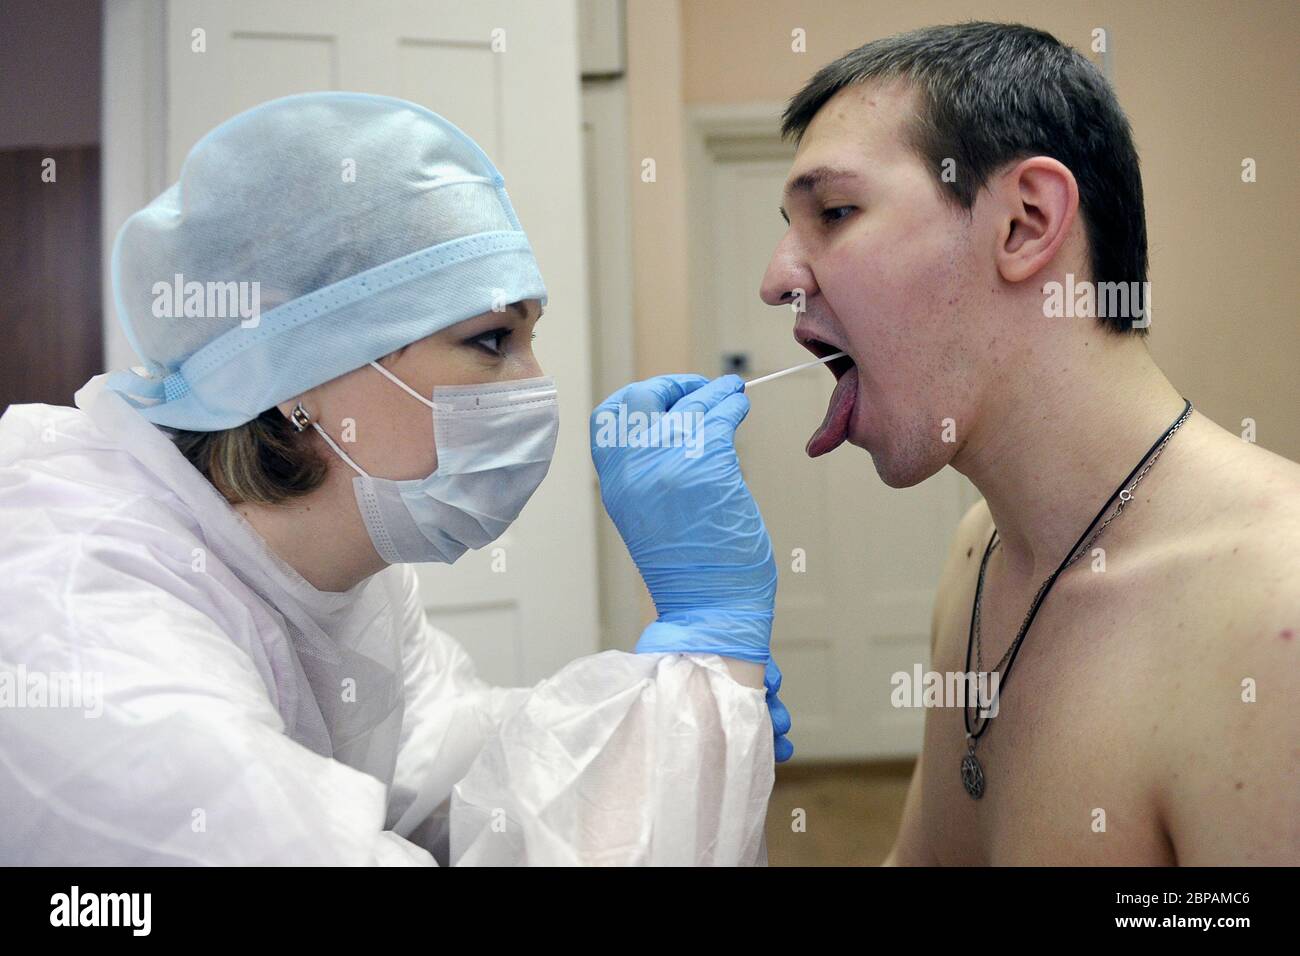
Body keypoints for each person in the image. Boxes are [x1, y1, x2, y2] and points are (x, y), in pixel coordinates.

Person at [0, 91, 790, 866]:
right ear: (289, 371)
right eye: (490, 340)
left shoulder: (336, 585)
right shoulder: (84, 628)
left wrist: (671, 714)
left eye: (528, 339)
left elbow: (460, 783)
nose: (534, 384)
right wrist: (708, 645)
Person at [760, 22, 1299, 864]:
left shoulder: (1278, 609)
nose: (778, 278)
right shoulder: (982, 551)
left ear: (1024, 222)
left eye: (834, 212)